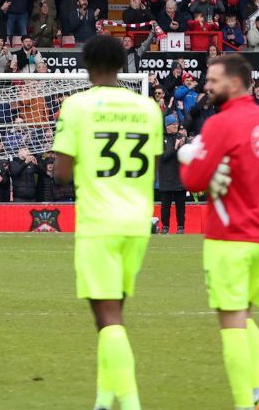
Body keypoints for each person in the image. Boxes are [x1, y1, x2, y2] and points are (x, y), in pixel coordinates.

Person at [50, 34, 163, 410]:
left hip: (100, 220)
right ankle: (104, 398)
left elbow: (62, 173)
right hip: (138, 221)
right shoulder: (148, 107)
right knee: (113, 314)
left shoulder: (77, 105)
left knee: (108, 316)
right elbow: (154, 163)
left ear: (87, 66)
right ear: (121, 66)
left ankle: (129, 404)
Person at [179, 53, 259, 410]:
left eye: (213, 79)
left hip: (229, 238)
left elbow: (193, 180)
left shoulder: (220, 124)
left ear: (235, 83)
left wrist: (190, 156)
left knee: (231, 323)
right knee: (246, 316)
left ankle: (247, 403)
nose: (207, 85)